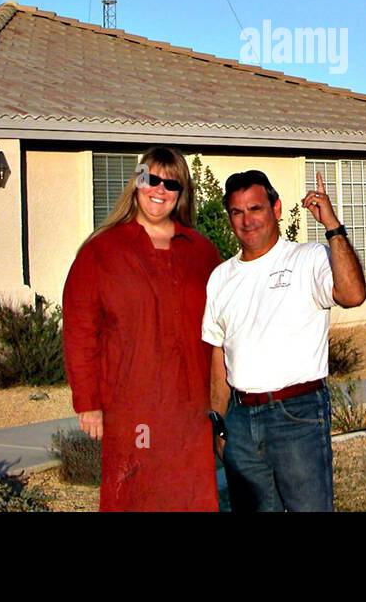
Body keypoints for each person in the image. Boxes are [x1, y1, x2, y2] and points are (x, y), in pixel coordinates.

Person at [62, 146, 222, 511]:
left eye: (171, 183)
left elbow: (221, 331)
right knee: (137, 494)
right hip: (133, 408)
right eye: (151, 179)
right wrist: (88, 404)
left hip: (190, 409)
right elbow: (80, 330)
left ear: (182, 193)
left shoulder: (202, 252)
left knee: (189, 495)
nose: (159, 190)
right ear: (137, 182)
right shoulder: (101, 251)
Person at [202, 169, 366, 511]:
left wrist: (332, 226)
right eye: (237, 212)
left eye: (256, 208)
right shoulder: (221, 278)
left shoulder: (309, 259)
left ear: (276, 209)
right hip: (241, 420)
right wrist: (217, 422)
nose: (247, 221)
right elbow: (219, 352)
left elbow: (352, 294)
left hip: (298, 416)